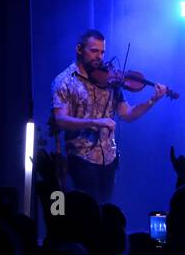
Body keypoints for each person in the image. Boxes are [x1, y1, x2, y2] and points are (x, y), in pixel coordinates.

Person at [50, 29, 167, 203]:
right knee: (88, 214)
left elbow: (127, 114)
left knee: (105, 213)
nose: (99, 57)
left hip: (109, 159)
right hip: (82, 158)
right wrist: (93, 122)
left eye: (102, 52)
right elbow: (61, 120)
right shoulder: (64, 80)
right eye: (94, 51)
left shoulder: (110, 81)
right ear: (79, 49)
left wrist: (153, 100)